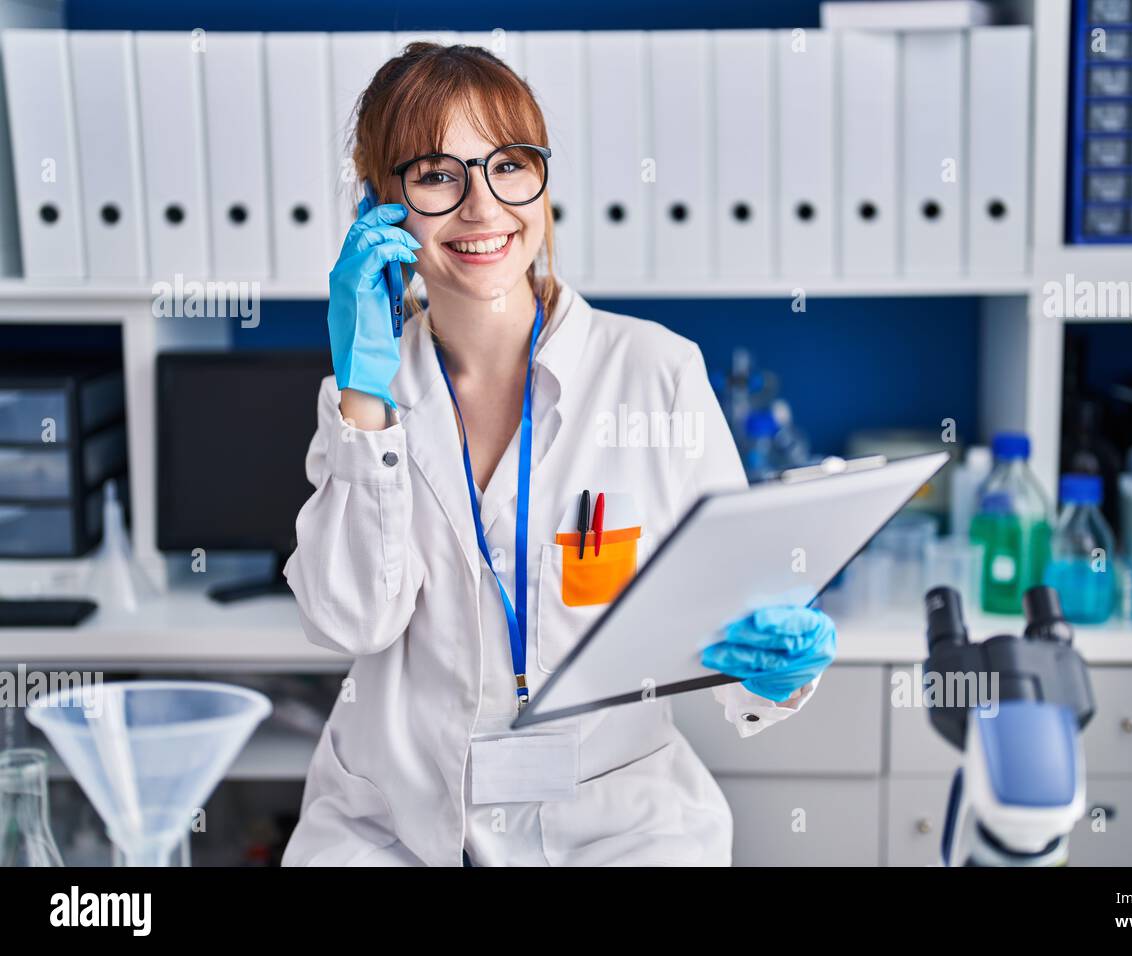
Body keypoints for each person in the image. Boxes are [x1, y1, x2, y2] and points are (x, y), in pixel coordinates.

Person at [282, 42, 836, 867]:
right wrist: (365, 397)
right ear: (381, 205)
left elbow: (729, 641)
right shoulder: (371, 392)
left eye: (509, 165)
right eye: (438, 175)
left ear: (543, 184)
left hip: (618, 831)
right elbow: (351, 620)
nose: (482, 208)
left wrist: (777, 669)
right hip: (390, 829)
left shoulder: (657, 373)